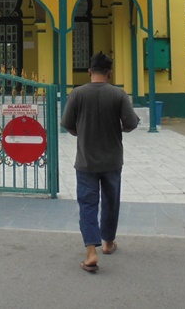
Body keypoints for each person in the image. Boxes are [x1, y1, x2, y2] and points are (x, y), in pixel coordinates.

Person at [61, 51, 139, 273]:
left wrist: (82, 132)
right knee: (111, 201)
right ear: (109, 74)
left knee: (88, 204)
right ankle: (108, 243)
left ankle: (91, 253)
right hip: (112, 160)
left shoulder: (77, 94)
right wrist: (117, 128)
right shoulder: (118, 94)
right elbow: (131, 123)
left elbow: (67, 123)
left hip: (86, 161)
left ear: (89, 72)